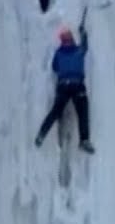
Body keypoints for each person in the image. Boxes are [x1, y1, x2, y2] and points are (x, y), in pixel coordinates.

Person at [34, 22, 94, 153]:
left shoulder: (59, 53)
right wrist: (83, 32)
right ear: (72, 38)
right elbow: (85, 46)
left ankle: (41, 134)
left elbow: (55, 68)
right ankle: (84, 140)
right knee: (83, 110)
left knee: (56, 111)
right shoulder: (78, 50)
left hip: (63, 86)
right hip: (78, 85)